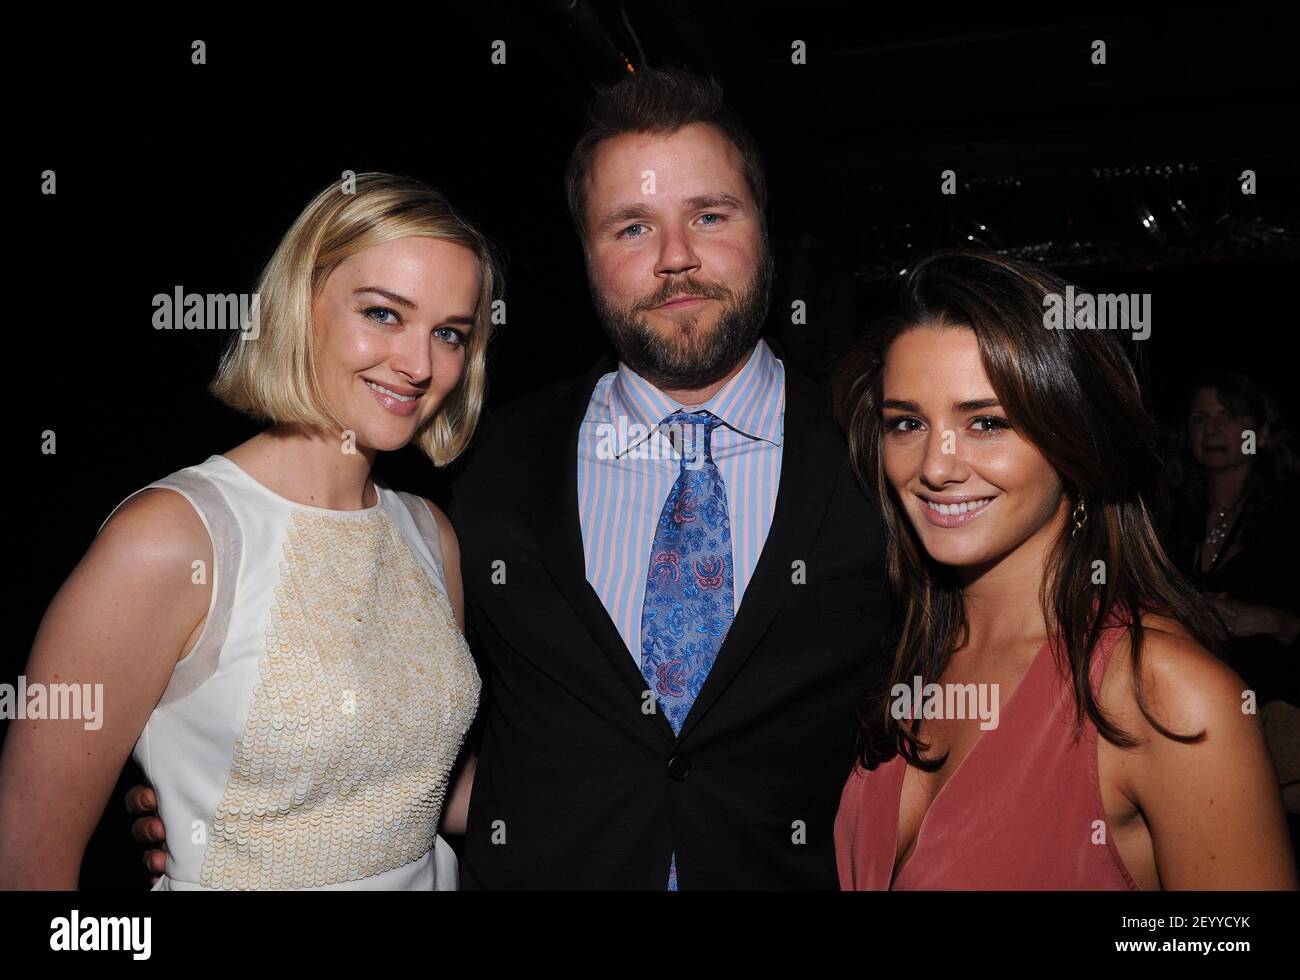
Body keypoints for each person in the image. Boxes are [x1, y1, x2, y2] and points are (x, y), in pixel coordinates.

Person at [446, 67, 889, 889]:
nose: (677, 260)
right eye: (632, 229)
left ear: (765, 229)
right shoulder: (486, 463)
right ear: (585, 255)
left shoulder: (882, 453)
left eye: (710, 216)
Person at [0, 173, 500, 889]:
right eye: (385, 314)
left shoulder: (429, 534)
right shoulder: (172, 538)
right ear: (301, 306)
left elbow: (415, 784)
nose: (420, 366)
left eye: (449, 333)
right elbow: (29, 865)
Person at [832, 250, 1296, 889]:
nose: (935, 467)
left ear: (1074, 442)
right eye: (908, 423)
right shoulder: (916, 655)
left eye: (987, 423)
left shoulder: (1165, 693)